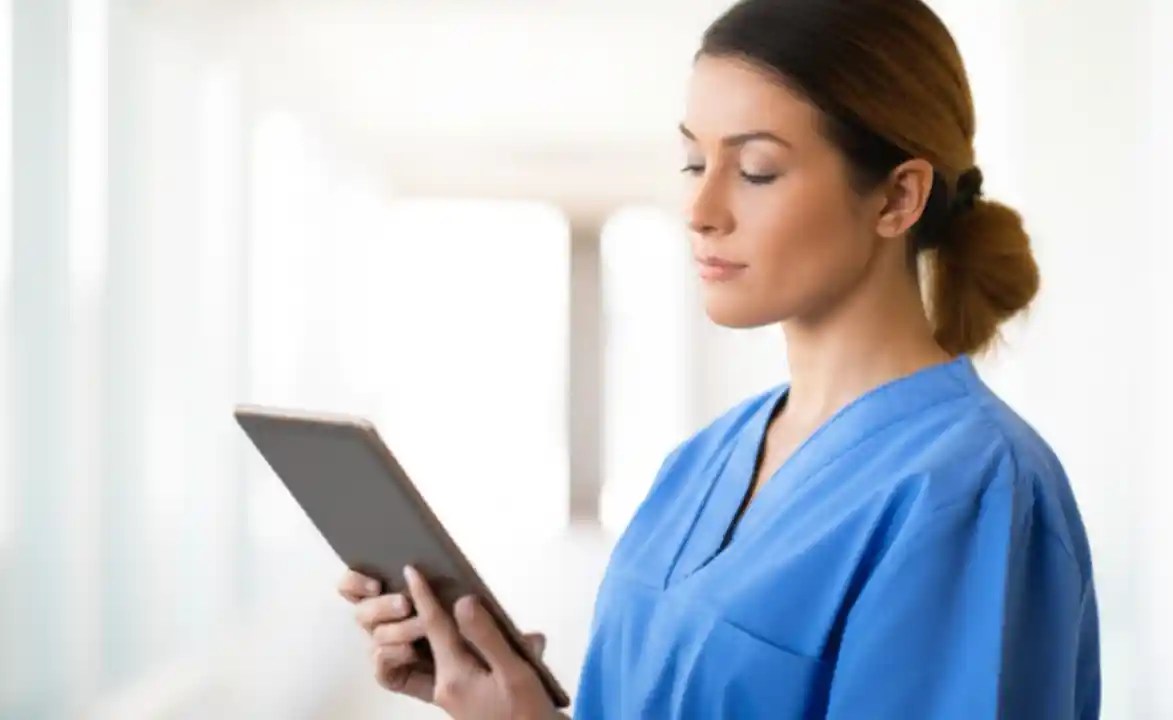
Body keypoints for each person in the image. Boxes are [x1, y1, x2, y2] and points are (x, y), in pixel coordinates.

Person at [337, 0, 1101, 717]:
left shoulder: (973, 488)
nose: (700, 212)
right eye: (693, 164)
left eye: (757, 169)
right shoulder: (702, 463)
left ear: (897, 198)